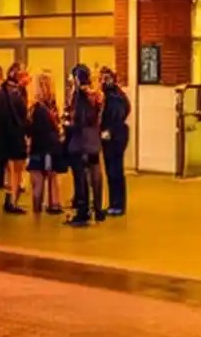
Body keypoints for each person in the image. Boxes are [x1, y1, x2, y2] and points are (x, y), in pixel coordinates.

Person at [66, 65, 105, 226]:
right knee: (95, 173)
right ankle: (98, 208)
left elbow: (76, 119)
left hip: (80, 142)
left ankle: (83, 211)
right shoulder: (97, 95)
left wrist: (67, 124)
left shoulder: (79, 96)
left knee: (81, 177)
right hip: (94, 140)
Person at [0, 65, 30, 214]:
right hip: (16, 137)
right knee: (17, 171)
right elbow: (24, 118)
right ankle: (13, 201)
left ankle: (8, 199)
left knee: (8, 170)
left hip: (1, 137)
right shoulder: (18, 95)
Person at [27, 72, 63, 215]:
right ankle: (54, 204)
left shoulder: (36, 108)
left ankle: (37, 208)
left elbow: (31, 129)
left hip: (38, 148)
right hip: (51, 148)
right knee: (51, 174)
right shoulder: (52, 106)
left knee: (37, 178)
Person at [98, 67, 131, 216]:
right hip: (116, 135)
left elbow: (116, 115)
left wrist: (107, 131)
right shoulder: (117, 94)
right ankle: (114, 204)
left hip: (114, 137)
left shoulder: (113, 96)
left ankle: (117, 205)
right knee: (113, 171)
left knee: (114, 171)